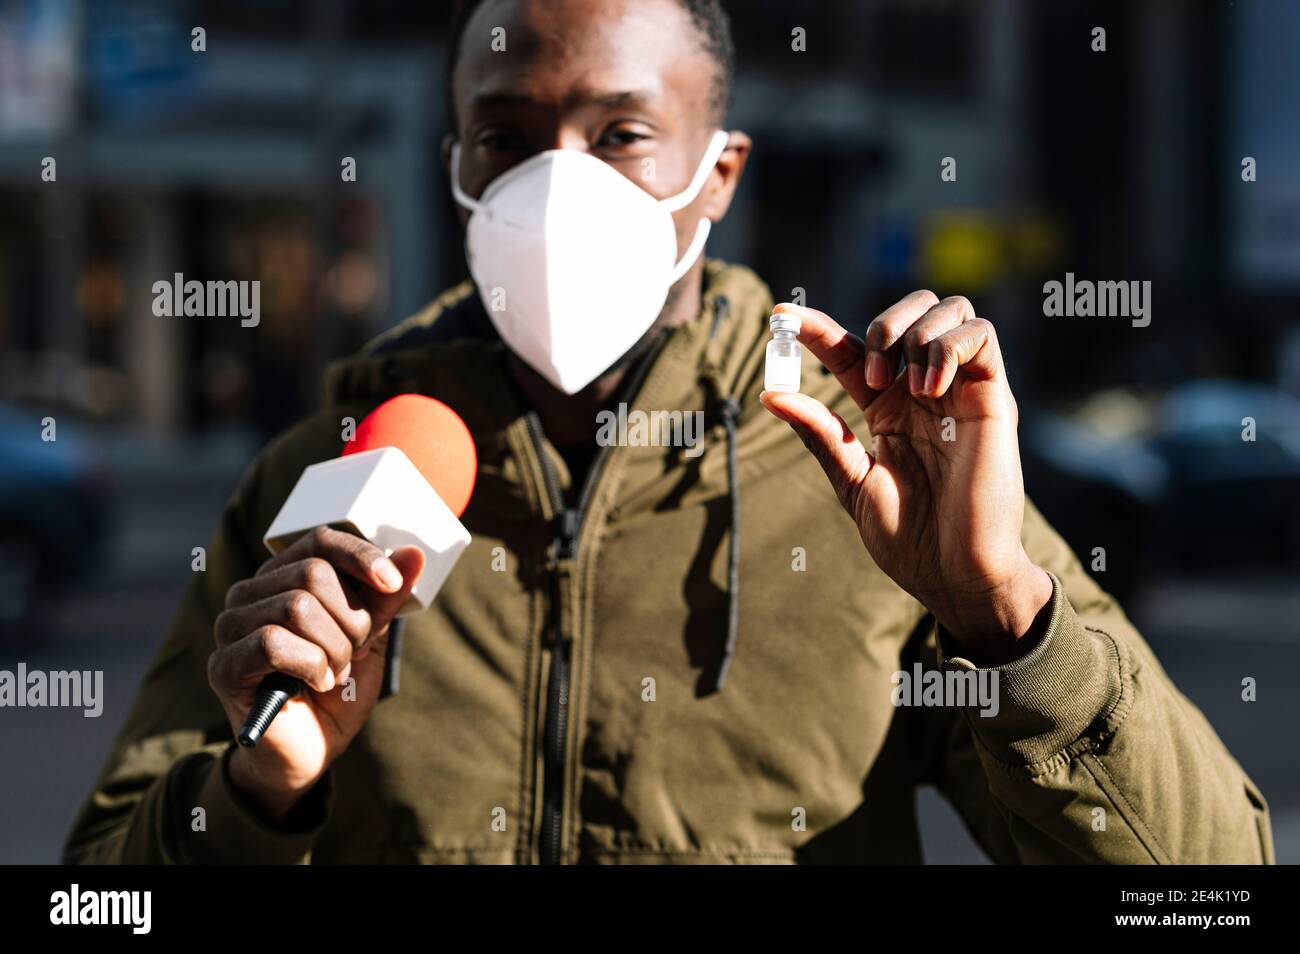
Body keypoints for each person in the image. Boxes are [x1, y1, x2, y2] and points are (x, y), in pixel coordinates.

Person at [65, 0, 1272, 864]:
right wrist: (252, 798)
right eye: (507, 138)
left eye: (620, 133)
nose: (555, 183)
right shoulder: (321, 481)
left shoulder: (872, 476)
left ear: (721, 171)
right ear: (455, 168)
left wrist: (1009, 620)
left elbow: (1211, 877)